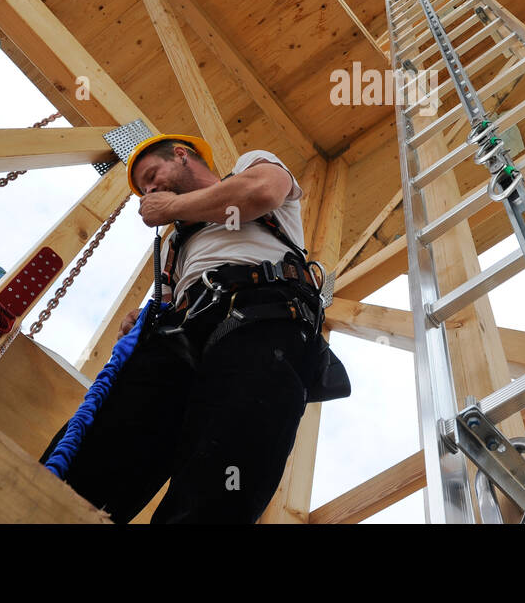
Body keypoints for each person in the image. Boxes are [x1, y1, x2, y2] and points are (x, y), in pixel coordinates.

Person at [40, 134, 347, 524]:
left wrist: (171, 205)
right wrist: (141, 321)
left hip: (262, 318)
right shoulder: (175, 244)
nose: (150, 190)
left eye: (153, 175)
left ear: (182, 155)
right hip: (180, 335)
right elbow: (167, 299)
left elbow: (262, 192)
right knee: (107, 447)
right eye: (146, 189)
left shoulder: (252, 163)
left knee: (222, 474)